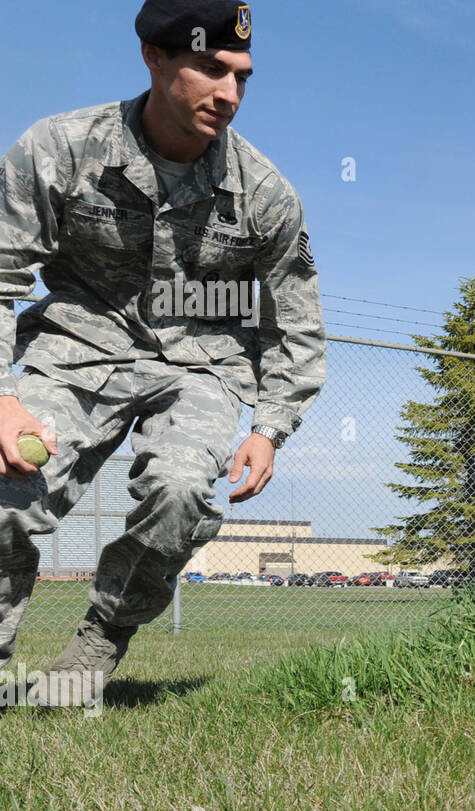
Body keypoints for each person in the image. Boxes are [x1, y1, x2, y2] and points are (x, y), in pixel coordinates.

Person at [0, 0, 326, 706]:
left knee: (179, 493)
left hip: (201, 364)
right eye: (212, 69)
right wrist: (0, 396)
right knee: (8, 485)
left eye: (241, 76)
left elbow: (294, 326)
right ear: (154, 58)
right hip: (79, 346)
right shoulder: (61, 148)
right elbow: (0, 272)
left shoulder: (265, 195)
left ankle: (92, 653)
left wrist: (270, 428)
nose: (230, 94)